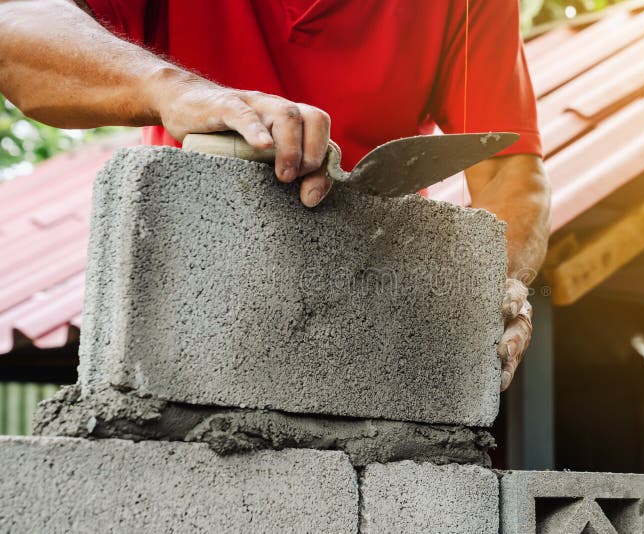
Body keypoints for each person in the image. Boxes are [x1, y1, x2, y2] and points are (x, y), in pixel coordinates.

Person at [0, 0, 550, 391]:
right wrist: (173, 90)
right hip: (194, 314)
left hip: (373, 329)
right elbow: (15, 30)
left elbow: (511, 174)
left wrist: (494, 287)